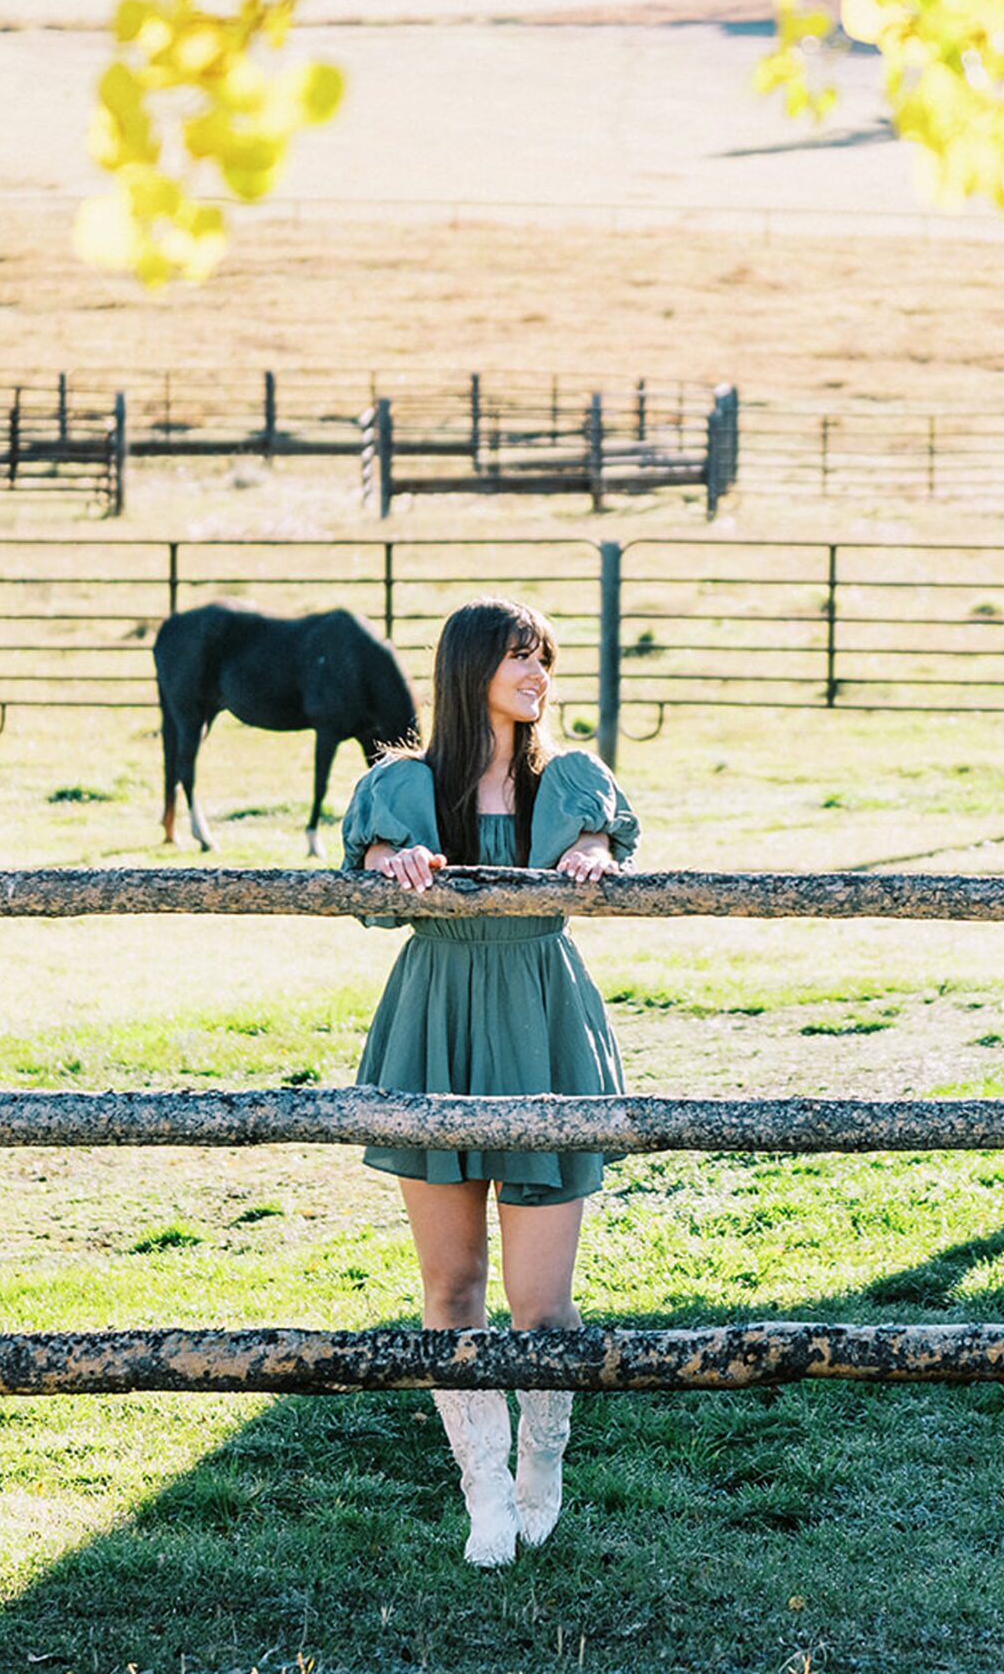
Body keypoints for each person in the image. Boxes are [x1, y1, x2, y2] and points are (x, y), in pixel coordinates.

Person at [339, 593, 638, 1566]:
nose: (537, 675)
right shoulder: (405, 785)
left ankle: (540, 1462)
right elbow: (370, 866)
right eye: (518, 656)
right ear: (469, 669)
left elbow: (600, 838)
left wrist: (590, 849)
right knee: (450, 1283)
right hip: (437, 1026)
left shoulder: (570, 778)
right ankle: (483, 1493)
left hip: (540, 1020)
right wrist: (396, 860)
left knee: (539, 1303)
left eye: (542, 658)